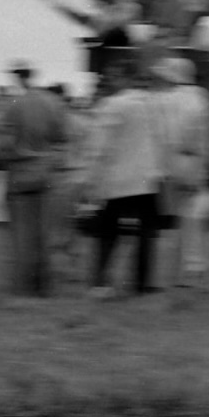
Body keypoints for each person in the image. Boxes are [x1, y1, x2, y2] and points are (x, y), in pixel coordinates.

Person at [80, 51, 167, 298]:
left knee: (108, 234)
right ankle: (142, 284)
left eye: (113, 76)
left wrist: (90, 178)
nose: (109, 81)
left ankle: (100, 283)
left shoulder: (113, 105)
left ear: (124, 77)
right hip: (148, 178)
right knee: (146, 235)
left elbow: (98, 147)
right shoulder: (153, 104)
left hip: (118, 179)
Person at [0, 62, 68, 296]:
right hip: (47, 174)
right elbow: (63, 138)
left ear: (17, 78)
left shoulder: (13, 106)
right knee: (44, 235)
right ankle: (46, 287)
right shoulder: (52, 103)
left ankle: (23, 288)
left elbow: (4, 145)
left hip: (20, 176)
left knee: (22, 237)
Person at [151, 56, 209, 287]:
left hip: (167, 161)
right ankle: (192, 268)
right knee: (192, 218)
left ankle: (172, 271)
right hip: (194, 161)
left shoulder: (161, 99)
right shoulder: (201, 98)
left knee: (172, 218)